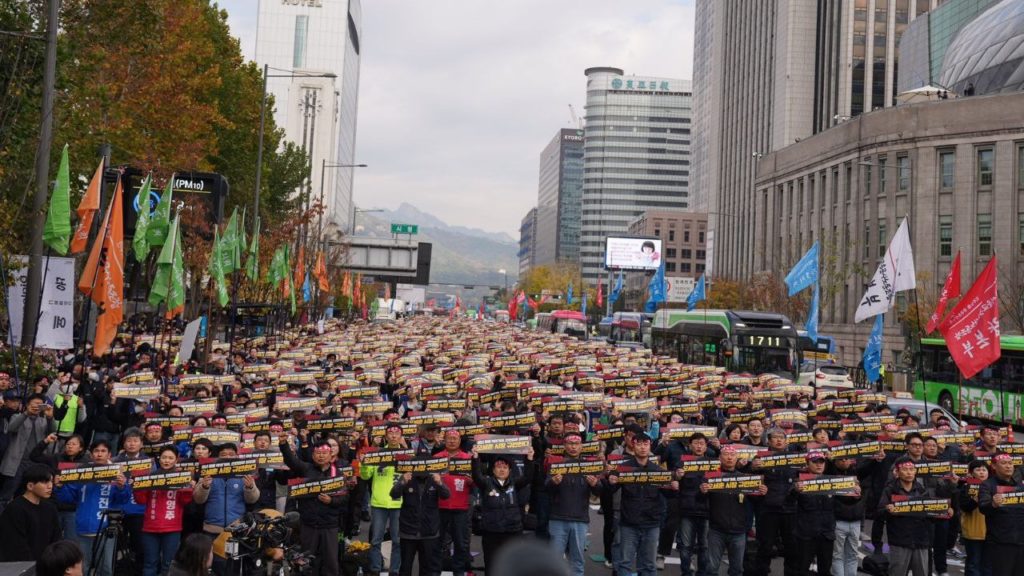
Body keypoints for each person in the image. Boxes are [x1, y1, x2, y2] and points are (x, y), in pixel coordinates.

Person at [56, 440, 132, 576]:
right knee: (82, 569)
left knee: (106, 569)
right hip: (83, 528)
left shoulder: (117, 473)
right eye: (96, 451)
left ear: (109, 454)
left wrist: (122, 487)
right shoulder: (81, 472)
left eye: (103, 451)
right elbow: (67, 498)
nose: (99, 454)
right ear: (91, 455)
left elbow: (123, 500)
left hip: (106, 529)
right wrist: (60, 487)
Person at [605, 432, 675, 576]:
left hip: (651, 524)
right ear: (633, 445)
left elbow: (668, 495)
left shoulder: (658, 471)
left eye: (646, 444)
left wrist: (674, 487)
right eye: (639, 444)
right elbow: (610, 490)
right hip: (628, 523)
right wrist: (610, 481)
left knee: (648, 565)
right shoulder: (623, 469)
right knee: (625, 564)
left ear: (650, 446)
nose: (642, 447)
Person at [279, 434, 348, 576]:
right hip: (308, 525)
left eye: (324, 453)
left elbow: (344, 498)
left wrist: (331, 501)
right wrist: (284, 444)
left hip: (329, 525)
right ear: (313, 455)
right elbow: (291, 461)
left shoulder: (338, 473)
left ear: (331, 455)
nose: (321, 456)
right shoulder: (306, 469)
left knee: (330, 563)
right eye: (318, 453)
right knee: (307, 563)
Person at [471, 445, 536, 576]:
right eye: (499, 467)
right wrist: (476, 457)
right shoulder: (486, 483)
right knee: (491, 564)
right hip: (491, 532)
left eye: (505, 467)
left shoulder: (514, 483)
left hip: (513, 531)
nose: (502, 470)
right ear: (493, 470)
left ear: (509, 470)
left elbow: (528, 477)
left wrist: (529, 458)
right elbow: (477, 475)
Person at [703, 445, 767, 576]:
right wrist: (702, 491)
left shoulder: (745, 479)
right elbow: (700, 500)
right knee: (711, 569)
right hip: (716, 530)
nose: (729, 457)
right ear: (720, 458)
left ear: (737, 458)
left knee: (737, 570)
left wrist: (762, 493)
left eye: (732, 455)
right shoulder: (711, 477)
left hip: (738, 531)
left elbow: (757, 503)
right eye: (726, 455)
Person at [546, 431, 601, 576]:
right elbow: (545, 488)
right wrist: (553, 482)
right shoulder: (556, 465)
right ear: (564, 446)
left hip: (580, 520)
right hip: (557, 519)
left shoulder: (589, 466)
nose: (573, 447)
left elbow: (600, 492)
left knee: (577, 562)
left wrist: (595, 484)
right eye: (570, 444)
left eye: (576, 444)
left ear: (581, 446)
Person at [133, 445, 194, 576]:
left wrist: (188, 488)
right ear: (159, 459)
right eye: (164, 457)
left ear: (176, 459)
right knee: (150, 563)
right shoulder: (150, 476)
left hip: (172, 528)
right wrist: (137, 486)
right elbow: (141, 501)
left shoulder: (181, 477)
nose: (167, 460)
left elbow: (185, 501)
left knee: (168, 564)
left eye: (170, 458)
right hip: (150, 528)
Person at [361, 423, 406, 576]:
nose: (393, 436)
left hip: (398, 503)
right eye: (390, 433)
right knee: (375, 540)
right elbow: (365, 475)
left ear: (401, 436)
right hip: (378, 503)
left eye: (397, 433)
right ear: (386, 436)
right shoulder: (377, 453)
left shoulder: (407, 455)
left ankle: (394, 571)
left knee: (397, 541)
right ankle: (375, 570)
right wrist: (364, 463)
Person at [878, 456, 935, 576]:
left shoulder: (922, 491)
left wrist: (943, 511)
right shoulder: (890, 490)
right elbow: (880, 511)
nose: (909, 472)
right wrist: (888, 510)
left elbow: (931, 514)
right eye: (905, 469)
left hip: (921, 540)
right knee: (897, 572)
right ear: (897, 473)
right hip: (900, 540)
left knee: (922, 573)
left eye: (912, 469)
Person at [391, 466, 450, 576]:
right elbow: (393, 494)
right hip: (408, 531)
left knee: (427, 569)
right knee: (405, 567)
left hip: (429, 532)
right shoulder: (407, 477)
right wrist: (402, 482)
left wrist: (440, 483)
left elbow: (446, 495)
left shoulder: (435, 478)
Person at [793, 451, 844, 576]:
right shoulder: (799, 482)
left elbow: (846, 501)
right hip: (806, 534)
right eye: (815, 462)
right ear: (807, 464)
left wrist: (855, 495)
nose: (819, 465)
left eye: (821, 462)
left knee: (825, 570)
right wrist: (795, 491)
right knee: (802, 570)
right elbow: (787, 502)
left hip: (826, 533)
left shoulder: (831, 482)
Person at [0, 463, 63, 561]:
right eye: (44, 482)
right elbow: (15, 546)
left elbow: (56, 539)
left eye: (51, 481)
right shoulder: (15, 509)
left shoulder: (50, 508)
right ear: (30, 486)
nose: (50, 486)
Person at [434, 428, 473, 576]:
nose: (451, 441)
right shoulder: (437, 457)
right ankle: (435, 571)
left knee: (460, 545)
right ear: (444, 440)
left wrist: (471, 480)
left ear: (460, 441)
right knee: (437, 543)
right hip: (440, 506)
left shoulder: (467, 458)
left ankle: (458, 573)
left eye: (454, 438)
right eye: (449, 438)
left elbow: (475, 483)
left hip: (461, 507)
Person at [979, 452, 1024, 576]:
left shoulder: (1020, 486)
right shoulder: (987, 485)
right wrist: (992, 504)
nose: (1008, 466)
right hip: (1000, 543)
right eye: (1003, 463)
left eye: (1010, 463)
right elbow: (983, 507)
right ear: (994, 466)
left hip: (1021, 541)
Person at [674, 433, 713, 576]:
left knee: (704, 546)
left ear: (706, 446)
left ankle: (702, 573)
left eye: (701, 443)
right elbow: (673, 481)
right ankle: (686, 573)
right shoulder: (681, 463)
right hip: (687, 510)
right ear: (690, 445)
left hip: (707, 511)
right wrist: (677, 476)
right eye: (695, 443)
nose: (698, 446)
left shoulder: (713, 464)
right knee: (685, 547)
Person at [959, 460, 990, 576]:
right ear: (971, 473)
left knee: (987, 565)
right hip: (973, 532)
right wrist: (975, 500)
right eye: (978, 470)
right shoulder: (966, 488)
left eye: (984, 469)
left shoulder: (994, 486)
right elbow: (964, 507)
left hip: (990, 533)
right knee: (973, 564)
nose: (981, 472)